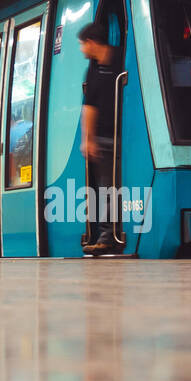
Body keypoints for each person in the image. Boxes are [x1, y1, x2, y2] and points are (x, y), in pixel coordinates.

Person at [77, 21, 122, 255]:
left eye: (82, 45)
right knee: (106, 188)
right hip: (104, 137)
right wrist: (89, 138)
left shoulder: (122, 60)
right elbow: (90, 106)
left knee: (116, 186)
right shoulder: (93, 68)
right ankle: (107, 237)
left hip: (127, 133)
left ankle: (115, 235)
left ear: (92, 43)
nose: (82, 49)